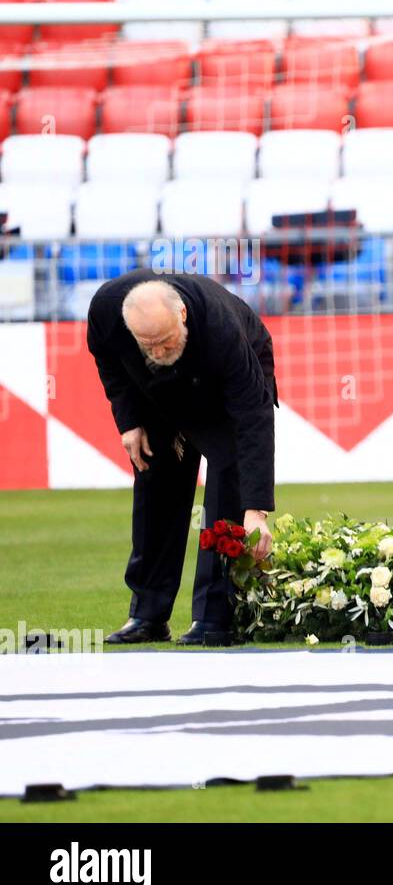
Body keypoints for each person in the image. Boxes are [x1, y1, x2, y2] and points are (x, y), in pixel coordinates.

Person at [87, 271, 278, 646]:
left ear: (182, 316)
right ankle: (148, 615)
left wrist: (256, 509)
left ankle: (214, 616)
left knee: (227, 482)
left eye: (164, 341)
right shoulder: (106, 310)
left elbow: (254, 420)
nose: (158, 352)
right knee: (156, 481)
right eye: (147, 344)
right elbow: (108, 362)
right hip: (158, 388)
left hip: (222, 386)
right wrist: (129, 421)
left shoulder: (222, 330)